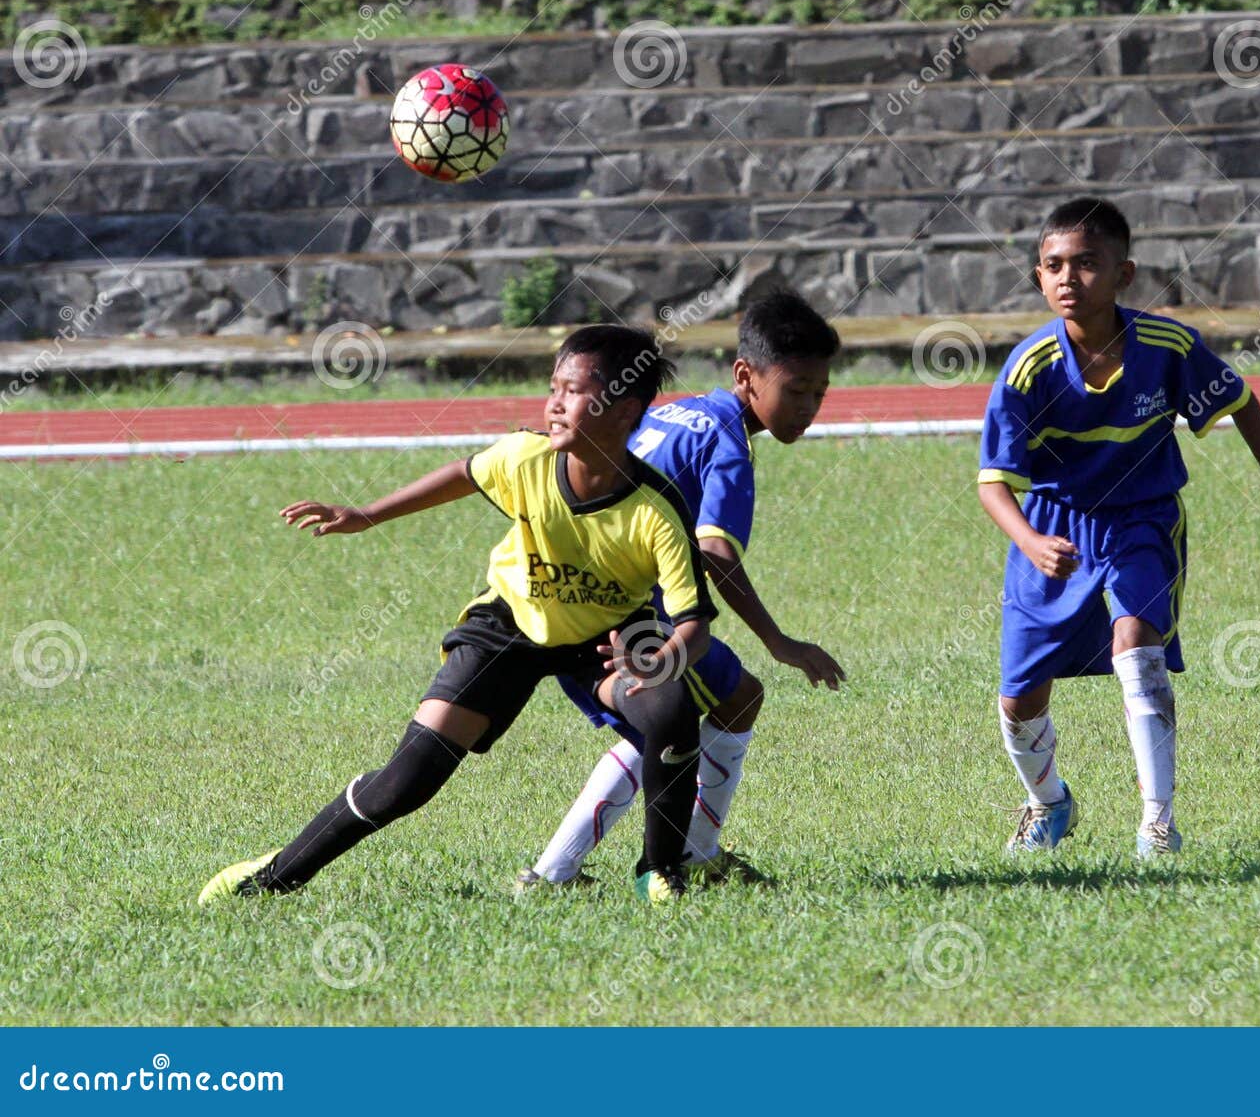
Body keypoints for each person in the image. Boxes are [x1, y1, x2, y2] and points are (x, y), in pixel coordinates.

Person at [199, 325, 717, 905]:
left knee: (672, 706)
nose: (553, 402)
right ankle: (273, 877)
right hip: (507, 628)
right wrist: (366, 514)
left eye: (572, 391)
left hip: (602, 640)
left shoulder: (655, 509)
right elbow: (464, 473)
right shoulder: (526, 458)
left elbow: (694, 619)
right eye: (553, 387)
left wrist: (666, 658)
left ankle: (660, 868)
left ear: (624, 411)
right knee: (405, 784)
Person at [978, 198, 1260, 858]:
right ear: (1037, 276)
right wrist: (1028, 539)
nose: (1068, 278)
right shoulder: (1029, 369)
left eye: (1087, 263)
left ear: (1123, 273)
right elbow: (993, 481)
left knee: (1136, 645)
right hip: (1053, 530)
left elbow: (1241, 402)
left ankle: (1156, 823)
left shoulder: (1166, 348)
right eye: (1053, 265)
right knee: (1019, 700)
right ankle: (1050, 802)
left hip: (1143, 520)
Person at [520, 290, 846, 889]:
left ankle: (564, 870)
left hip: (571, 589)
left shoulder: (677, 412)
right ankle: (646, 858)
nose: (809, 407)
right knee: (714, 706)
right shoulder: (728, 444)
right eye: (797, 390)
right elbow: (714, 554)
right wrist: (780, 642)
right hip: (636, 607)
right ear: (746, 376)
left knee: (701, 708)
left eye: (819, 394)